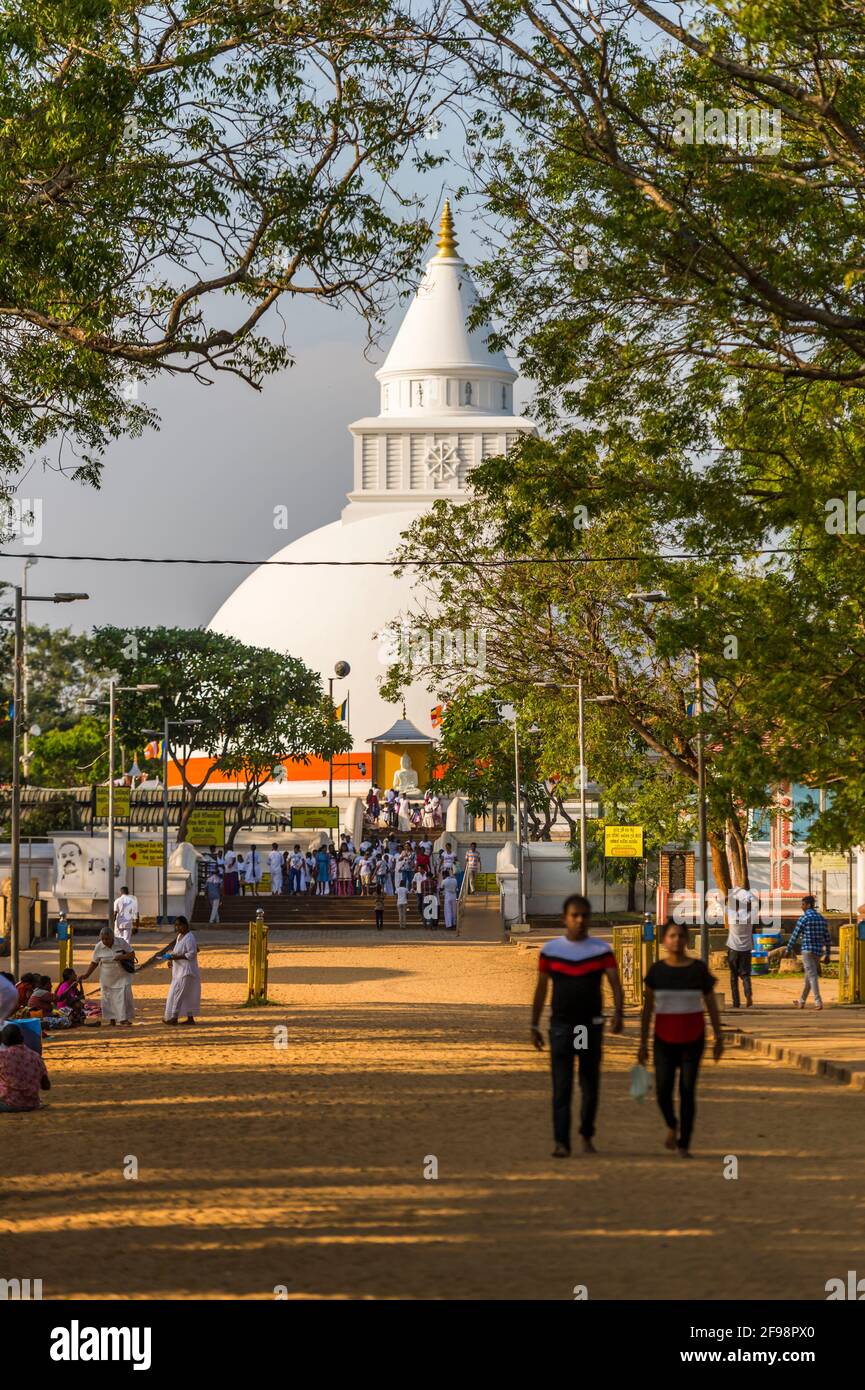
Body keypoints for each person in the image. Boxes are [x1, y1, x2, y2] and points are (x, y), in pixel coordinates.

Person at [531, 895, 623, 1157]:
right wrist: (534, 1025)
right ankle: (561, 1141)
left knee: (589, 1084)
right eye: (575, 915)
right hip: (561, 1026)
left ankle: (586, 1134)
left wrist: (618, 1013)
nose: (580, 920)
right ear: (564, 919)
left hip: (589, 1027)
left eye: (584, 915)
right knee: (562, 1087)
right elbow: (541, 989)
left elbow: (615, 984)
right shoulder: (550, 951)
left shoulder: (601, 950)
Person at [639, 921, 724, 1157]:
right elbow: (647, 1010)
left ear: (686, 940)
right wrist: (643, 1043)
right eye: (672, 936)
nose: (676, 940)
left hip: (692, 1039)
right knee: (663, 1092)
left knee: (687, 1091)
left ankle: (684, 1143)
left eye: (680, 936)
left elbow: (710, 1005)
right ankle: (672, 1124)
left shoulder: (698, 970)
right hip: (663, 1040)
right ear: (664, 940)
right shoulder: (657, 971)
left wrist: (719, 1037)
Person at [77, 926, 136, 1026]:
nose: (105, 941)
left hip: (122, 975)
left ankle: (123, 1019)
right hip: (107, 977)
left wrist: (122, 957)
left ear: (112, 937)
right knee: (108, 999)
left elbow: (132, 954)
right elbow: (94, 962)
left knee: (123, 996)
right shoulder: (98, 947)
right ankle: (111, 1019)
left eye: (107, 939)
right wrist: (87, 974)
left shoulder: (121, 942)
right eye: (103, 939)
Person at [786, 895, 833, 1010]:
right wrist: (827, 954)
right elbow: (827, 938)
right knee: (809, 976)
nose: (801, 907)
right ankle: (801, 1001)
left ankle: (818, 1001)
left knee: (812, 976)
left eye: (802, 904)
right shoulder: (821, 918)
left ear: (808, 905)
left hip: (807, 950)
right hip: (818, 951)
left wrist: (788, 948)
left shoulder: (804, 918)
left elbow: (795, 935)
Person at [0, 1025, 50, 1111]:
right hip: (31, 1104)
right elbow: (46, 1086)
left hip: (8, 1103)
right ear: (22, 1038)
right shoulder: (35, 1056)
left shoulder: (2, 1056)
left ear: (3, 1041)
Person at [163, 917, 201, 1026]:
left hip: (187, 971)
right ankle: (190, 1018)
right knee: (187, 995)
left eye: (180, 925)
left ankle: (174, 1017)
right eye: (176, 925)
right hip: (179, 971)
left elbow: (191, 954)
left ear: (186, 925)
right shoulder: (180, 936)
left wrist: (175, 958)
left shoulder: (189, 938)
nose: (178, 927)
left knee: (178, 994)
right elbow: (176, 951)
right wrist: (171, 958)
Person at [726, 885, 758, 1009]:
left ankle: (736, 1002)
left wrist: (730, 895)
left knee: (733, 977)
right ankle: (748, 994)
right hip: (746, 949)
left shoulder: (732, 915)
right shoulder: (750, 916)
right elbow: (758, 903)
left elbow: (721, 903)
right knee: (745, 975)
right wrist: (750, 895)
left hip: (733, 949)